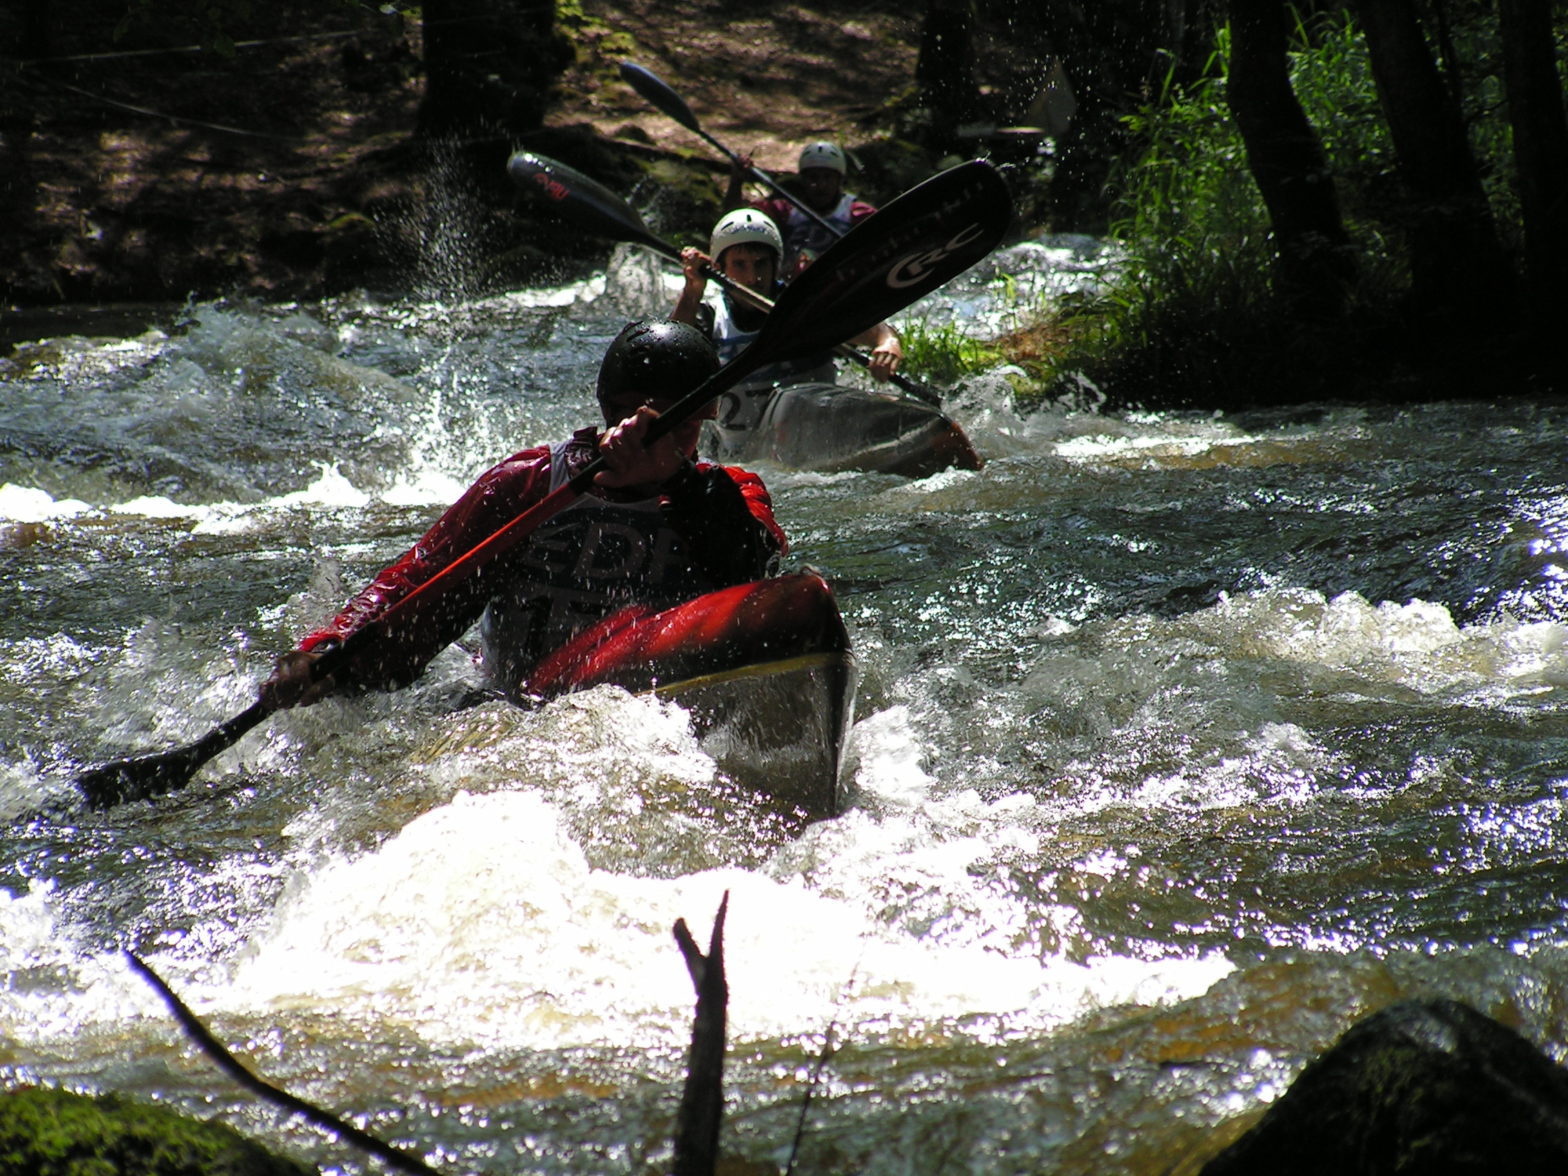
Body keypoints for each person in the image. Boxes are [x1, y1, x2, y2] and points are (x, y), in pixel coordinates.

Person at [259, 320, 787, 710]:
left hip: (664, 690)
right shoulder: (528, 484)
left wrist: (678, 481)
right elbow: (420, 583)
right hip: (522, 706)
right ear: (616, 415)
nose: (666, 441)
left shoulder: (731, 492)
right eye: (648, 422)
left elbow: (755, 581)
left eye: (682, 427)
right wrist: (328, 652)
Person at [670, 208, 902, 440]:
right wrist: (691, 292)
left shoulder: (803, 306)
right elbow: (670, 358)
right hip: (740, 459)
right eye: (740, 265)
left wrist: (887, 342)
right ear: (720, 269)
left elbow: (868, 328)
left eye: (761, 264)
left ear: (776, 266)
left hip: (810, 442)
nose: (752, 277)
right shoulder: (709, 316)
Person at [724, 140, 878, 278]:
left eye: (827, 177)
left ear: (840, 179)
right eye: (813, 177)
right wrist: (736, 182)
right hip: (794, 285)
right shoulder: (784, 211)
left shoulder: (858, 213)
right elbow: (736, 222)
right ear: (803, 180)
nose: (821, 185)